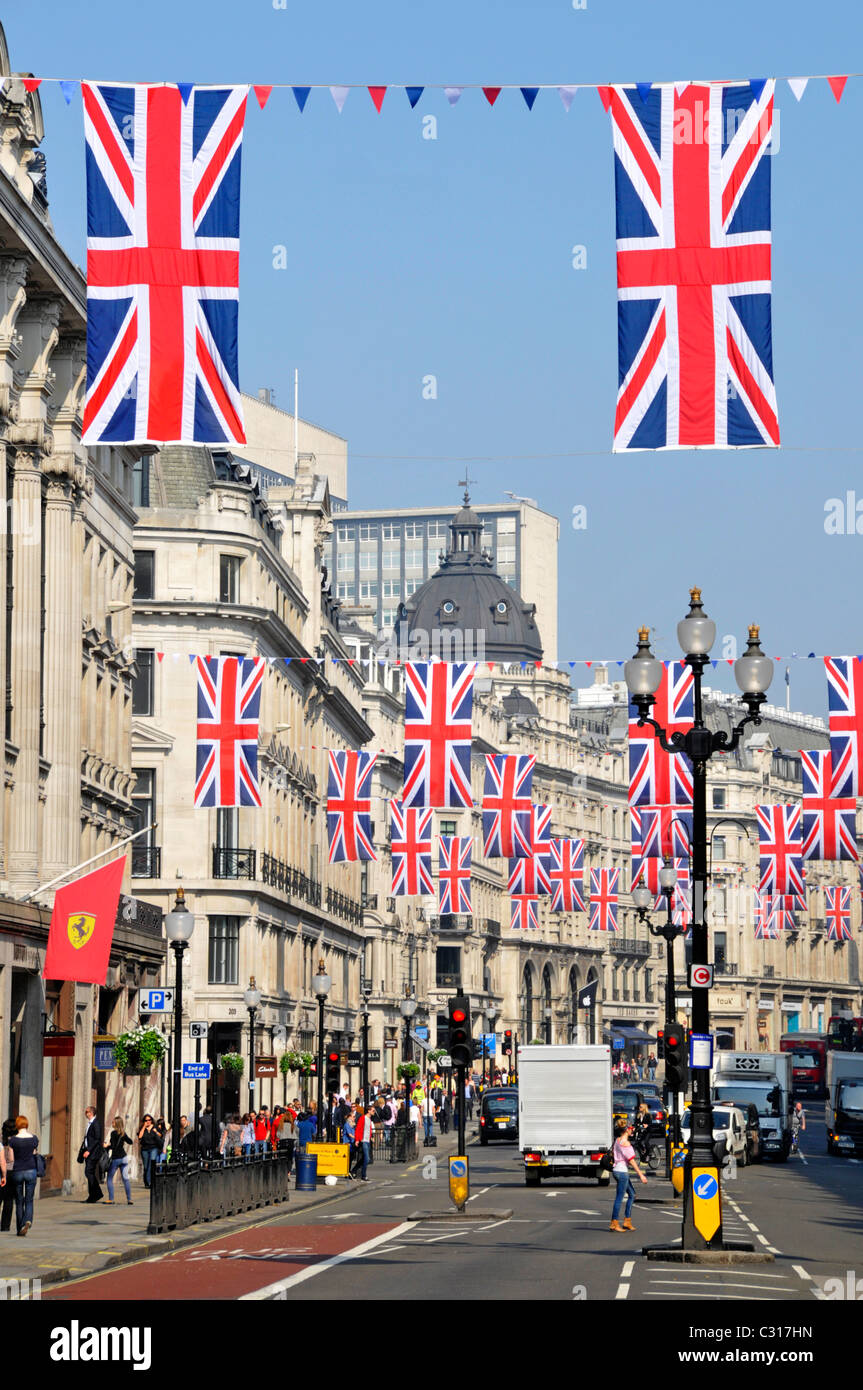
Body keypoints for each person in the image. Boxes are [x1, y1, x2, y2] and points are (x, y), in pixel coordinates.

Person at [609, 1120, 648, 1232]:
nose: (633, 1130)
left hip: (617, 1170)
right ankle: (614, 1223)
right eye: (631, 1129)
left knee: (632, 1194)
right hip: (622, 1172)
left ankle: (627, 1221)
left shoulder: (617, 1141)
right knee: (619, 1198)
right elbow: (632, 1161)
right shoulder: (626, 1144)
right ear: (626, 1130)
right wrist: (641, 1175)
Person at [8, 1116, 39, 1237]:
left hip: (18, 1171)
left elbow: (11, 1159)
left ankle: (20, 1227)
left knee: (19, 1201)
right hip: (31, 1170)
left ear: (17, 1125)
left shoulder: (13, 1140)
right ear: (27, 1124)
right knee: (29, 1199)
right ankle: (28, 1220)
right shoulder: (34, 1139)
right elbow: (34, 1153)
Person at [105, 1117, 134, 1204]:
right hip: (124, 1158)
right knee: (125, 1179)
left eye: (113, 1122)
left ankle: (111, 1199)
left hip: (116, 1158)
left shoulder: (113, 1133)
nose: (112, 1123)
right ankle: (129, 1199)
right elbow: (130, 1142)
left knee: (109, 1178)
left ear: (116, 1124)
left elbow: (113, 1146)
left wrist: (107, 1146)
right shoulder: (123, 1133)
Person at [79, 1106, 104, 1204]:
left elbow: (97, 1139)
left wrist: (89, 1150)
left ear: (92, 1113)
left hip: (93, 1153)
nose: (85, 1113)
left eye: (87, 1111)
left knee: (88, 1172)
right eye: (85, 1111)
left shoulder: (96, 1123)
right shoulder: (90, 1124)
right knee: (90, 1173)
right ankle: (93, 1195)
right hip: (88, 1152)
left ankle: (96, 1193)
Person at [1, 1116, 16, 1232]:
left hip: (1, 1171)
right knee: (9, 1200)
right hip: (10, 1171)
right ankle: (5, 1225)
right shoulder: (14, 1141)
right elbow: (11, 1158)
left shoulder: (2, 1140)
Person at [137, 1115, 161, 1189]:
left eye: (149, 1120)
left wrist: (155, 1131)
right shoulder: (142, 1128)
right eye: (146, 1120)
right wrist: (144, 1127)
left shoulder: (155, 1127)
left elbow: (160, 1135)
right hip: (145, 1149)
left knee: (151, 1164)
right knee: (146, 1166)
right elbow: (140, 1137)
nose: (148, 1121)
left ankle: (151, 1182)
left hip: (153, 1148)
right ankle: (146, 1182)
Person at [353, 1105, 375, 1181]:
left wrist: (371, 1137)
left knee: (364, 1158)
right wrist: (357, 1140)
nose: (374, 1112)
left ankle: (354, 1170)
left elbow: (368, 1130)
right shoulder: (363, 1118)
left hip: (367, 1140)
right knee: (367, 1158)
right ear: (368, 1111)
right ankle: (363, 1175)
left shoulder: (369, 1119)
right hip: (363, 1140)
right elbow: (358, 1129)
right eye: (373, 1110)